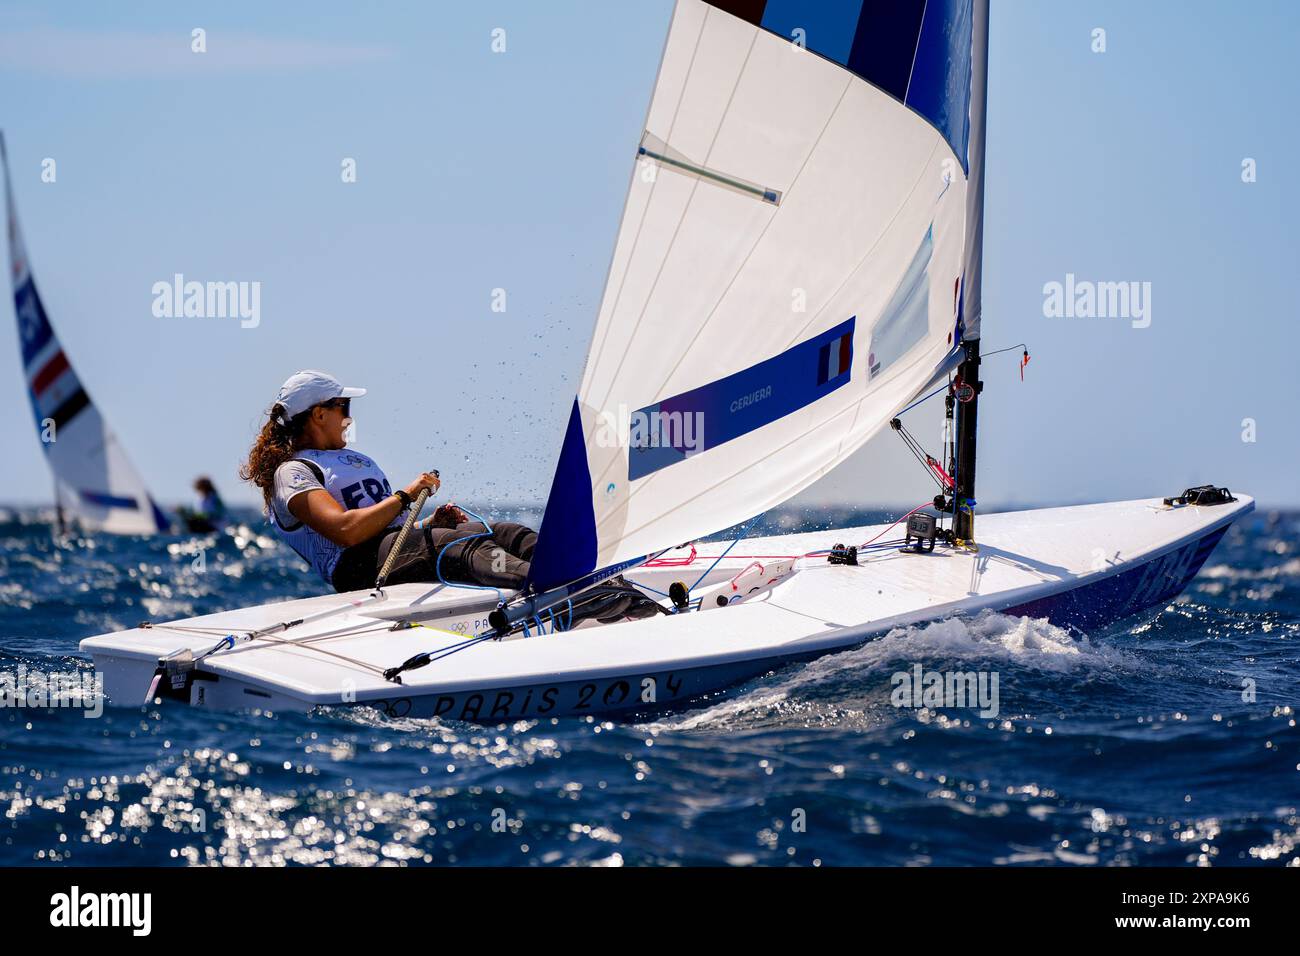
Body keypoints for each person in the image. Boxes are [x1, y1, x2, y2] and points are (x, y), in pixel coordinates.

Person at [240, 370, 540, 594]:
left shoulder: (352, 459)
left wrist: (429, 523)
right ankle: (547, 583)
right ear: (319, 414)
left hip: (393, 550)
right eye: (343, 407)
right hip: (358, 567)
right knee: (457, 544)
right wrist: (406, 495)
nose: (349, 418)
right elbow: (346, 530)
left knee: (503, 532)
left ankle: (577, 573)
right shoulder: (292, 473)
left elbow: (391, 531)